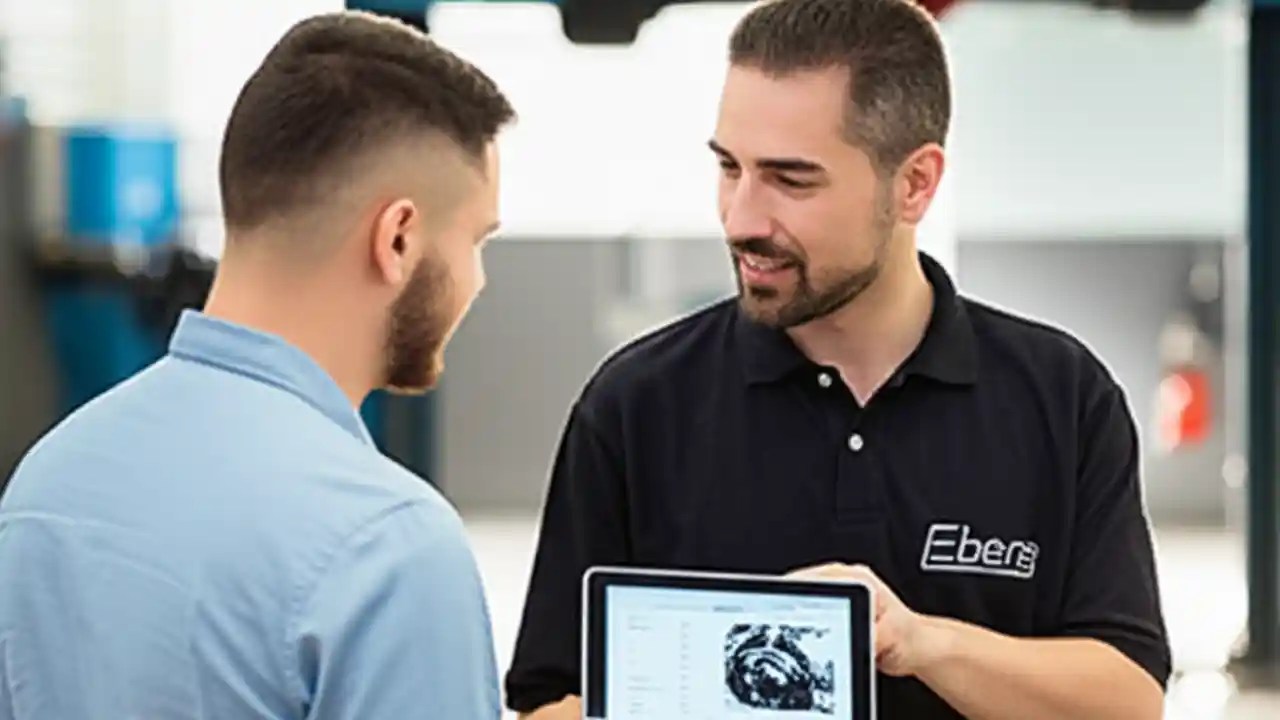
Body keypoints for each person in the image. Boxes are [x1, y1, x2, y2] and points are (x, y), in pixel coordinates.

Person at [504, 1, 1169, 718]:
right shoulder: (637, 405)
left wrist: (922, 643)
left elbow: (1127, 699)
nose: (742, 219)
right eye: (731, 168)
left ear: (915, 183)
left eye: (792, 180)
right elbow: (549, 700)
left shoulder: (1062, 397)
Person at [0, 11, 514, 719]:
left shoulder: (46, 484)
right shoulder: (388, 544)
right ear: (396, 238)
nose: (479, 280)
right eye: (477, 240)